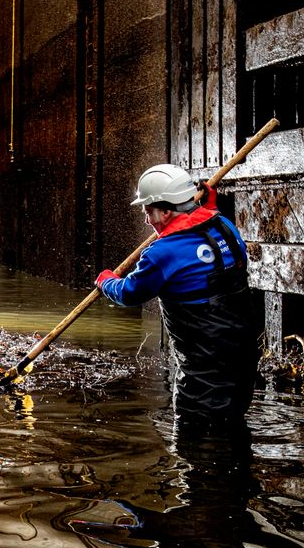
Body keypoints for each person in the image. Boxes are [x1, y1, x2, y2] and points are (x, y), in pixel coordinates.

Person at [95, 164, 260, 428]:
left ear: (167, 211)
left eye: (149, 212)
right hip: (243, 366)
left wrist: (106, 282)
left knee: (195, 438)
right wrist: (209, 207)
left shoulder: (162, 254)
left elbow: (129, 292)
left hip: (202, 381)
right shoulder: (225, 226)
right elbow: (209, 239)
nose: (147, 221)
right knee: (232, 429)